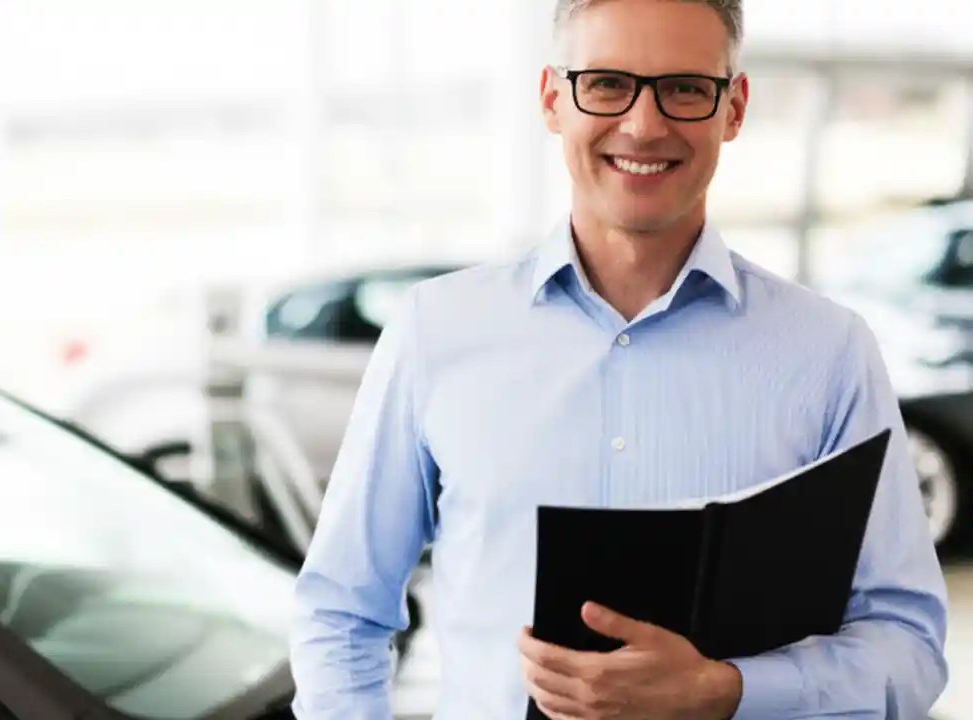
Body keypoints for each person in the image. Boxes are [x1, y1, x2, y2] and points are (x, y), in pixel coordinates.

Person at [288, 0, 949, 717]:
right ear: (552, 99)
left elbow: (909, 647)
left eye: (685, 89)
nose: (643, 124)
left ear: (734, 108)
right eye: (606, 83)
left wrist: (725, 692)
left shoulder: (829, 353)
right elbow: (341, 613)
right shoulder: (433, 333)